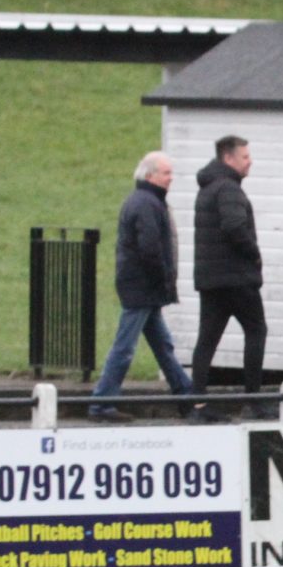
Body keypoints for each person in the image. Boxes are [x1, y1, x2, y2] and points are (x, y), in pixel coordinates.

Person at [90, 151, 195, 422]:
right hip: (142, 287)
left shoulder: (143, 201)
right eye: (166, 173)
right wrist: (163, 280)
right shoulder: (148, 204)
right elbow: (150, 248)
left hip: (141, 286)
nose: (171, 178)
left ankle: (186, 394)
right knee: (125, 347)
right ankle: (101, 403)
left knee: (163, 346)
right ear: (150, 176)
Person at [190, 135, 269, 419]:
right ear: (229, 158)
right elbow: (235, 227)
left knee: (207, 340)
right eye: (245, 156)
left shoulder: (207, 189)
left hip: (211, 280)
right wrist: (254, 254)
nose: (250, 161)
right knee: (256, 330)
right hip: (237, 278)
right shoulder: (230, 189)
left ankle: (198, 405)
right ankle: (252, 400)